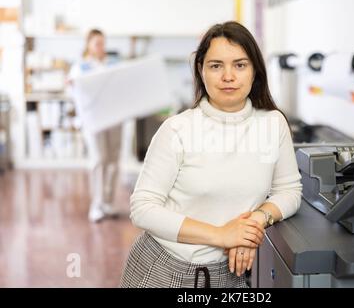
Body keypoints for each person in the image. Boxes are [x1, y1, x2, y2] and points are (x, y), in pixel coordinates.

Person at [120, 21, 302, 288]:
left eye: (240, 65)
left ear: (255, 71)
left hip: (230, 276)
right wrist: (221, 235)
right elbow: (143, 209)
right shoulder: (177, 129)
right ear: (201, 70)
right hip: (163, 271)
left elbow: (289, 190)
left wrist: (253, 224)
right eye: (216, 66)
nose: (228, 76)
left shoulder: (273, 124)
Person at [68, 29, 122, 223]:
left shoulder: (113, 64)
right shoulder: (80, 68)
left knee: (113, 161)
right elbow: (73, 94)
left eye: (103, 43)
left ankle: (108, 202)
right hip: (94, 121)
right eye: (97, 43)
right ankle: (96, 205)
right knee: (98, 160)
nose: (101, 47)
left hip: (114, 119)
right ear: (88, 45)